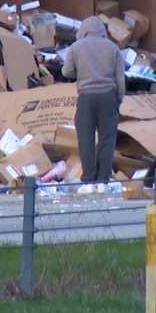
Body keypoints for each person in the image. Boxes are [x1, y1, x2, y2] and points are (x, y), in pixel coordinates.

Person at [61, 16, 125, 192]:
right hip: (108, 97)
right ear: (102, 31)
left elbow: (66, 72)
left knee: (86, 139)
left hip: (86, 98)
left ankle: (88, 179)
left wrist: (80, 71)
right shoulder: (113, 48)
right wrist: (118, 99)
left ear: (84, 30)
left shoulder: (76, 47)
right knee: (107, 139)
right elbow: (120, 78)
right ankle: (103, 179)